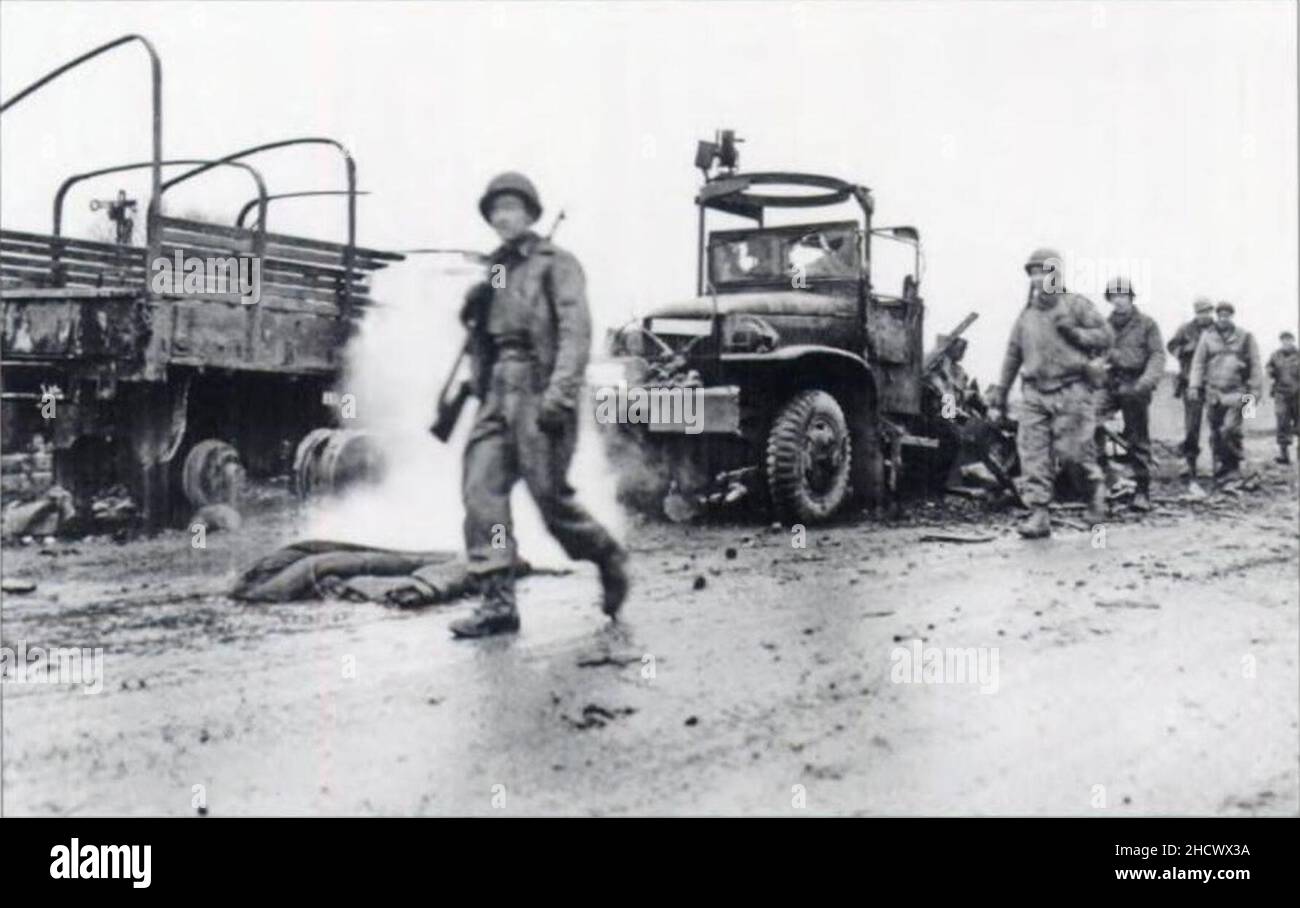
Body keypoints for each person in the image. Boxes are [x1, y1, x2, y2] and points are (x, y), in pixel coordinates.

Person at [451, 172, 629, 638]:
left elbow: (576, 333)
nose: (504, 216)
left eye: (513, 208)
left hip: (540, 387)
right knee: (481, 493)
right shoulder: (496, 267)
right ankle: (497, 604)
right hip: (497, 394)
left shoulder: (558, 263)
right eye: (496, 210)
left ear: (531, 214)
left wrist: (560, 395)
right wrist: (474, 327)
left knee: (550, 501)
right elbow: (483, 336)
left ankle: (605, 553)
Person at [989, 248, 1113, 538]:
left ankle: (1095, 496)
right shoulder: (1027, 315)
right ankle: (1039, 513)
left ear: (1056, 274)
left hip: (1071, 389)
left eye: (1043, 271)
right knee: (1032, 455)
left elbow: (1106, 336)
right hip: (1034, 392)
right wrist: (1001, 392)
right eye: (1032, 272)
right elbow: (1012, 354)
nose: (1037, 278)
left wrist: (1076, 333)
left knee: (1074, 455)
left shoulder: (1076, 306)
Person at [1094, 276, 1165, 511]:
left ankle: (1142, 490)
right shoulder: (1105, 326)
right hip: (1110, 382)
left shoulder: (1147, 324)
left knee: (1137, 437)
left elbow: (1157, 356)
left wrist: (1146, 382)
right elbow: (1095, 354)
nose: (1119, 301)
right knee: (1090, 421)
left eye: (1123, 296)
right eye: (1114, 297)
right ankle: (1102, 483)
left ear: (1131, 298)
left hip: (1136, 383)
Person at [1187, 301, 1263, 485]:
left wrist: (1255, 393)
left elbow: (1255, 365)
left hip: (1239, 392)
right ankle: (1222, 468)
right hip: (1213, 392)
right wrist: (1194, 386)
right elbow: (1198, 363)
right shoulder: (1207, 336)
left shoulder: (1245, 337)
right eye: (1220, 314)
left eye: (1227, 315)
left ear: (1232, 316)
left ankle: (1235, 466)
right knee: (1215, 432)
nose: (1223, 318)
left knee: (1230, 429)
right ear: (1217, 315)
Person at [1166, 298, 1215, 478]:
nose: (1206, 315)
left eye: (1208, 311)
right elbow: (1172, 346)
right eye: (1202, 312)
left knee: (1217, 424)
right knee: (1192, 425)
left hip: (1213, 383)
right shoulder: (1185, 329)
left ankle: (1219, 464)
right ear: (1196, 313)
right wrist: (1188, 348)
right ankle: (1190, 463)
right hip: (1190, 383)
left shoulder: (1217, 329)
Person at [1266, 330, 1300, 464]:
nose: (1286, 342)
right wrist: (1270, 371)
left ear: (1293, 341)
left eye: (1289, 339)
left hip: (1298, 393)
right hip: (1281, 393)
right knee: (1282, 421)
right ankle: (1284, 455)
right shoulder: (1275, 355)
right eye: (1284, 340)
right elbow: (1269, 367)